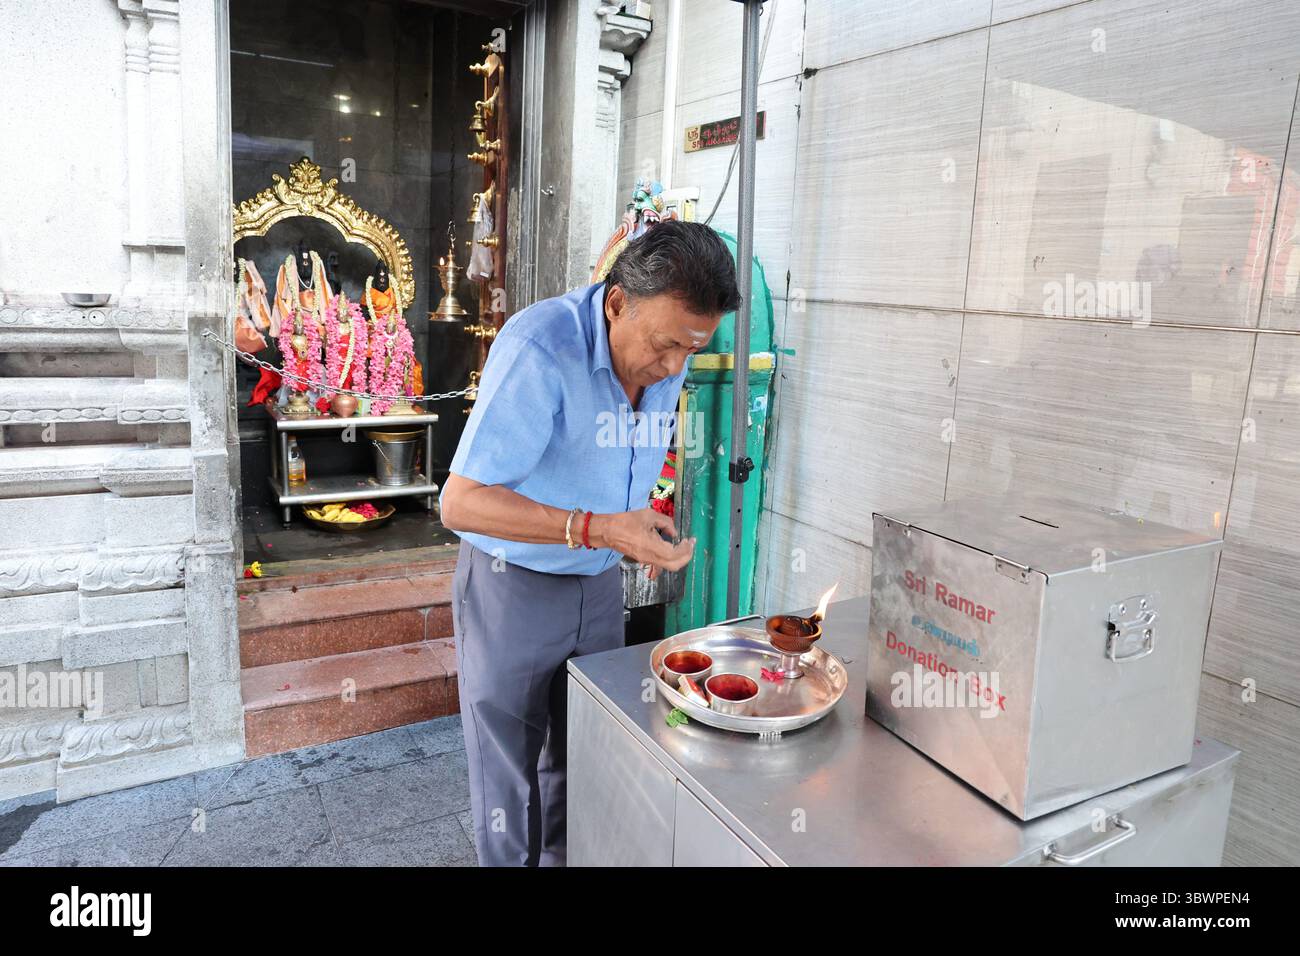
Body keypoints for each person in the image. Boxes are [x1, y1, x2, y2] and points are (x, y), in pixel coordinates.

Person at [439, 220, 742, 866]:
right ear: (616, 303)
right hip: (512, 586)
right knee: (509, 777)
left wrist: (635, 528)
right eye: (665, 346)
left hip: (601, 586)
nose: (673, 368)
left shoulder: (665, 362)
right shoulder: (539, 347)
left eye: (691, 350)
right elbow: (459, 502)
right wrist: (598, 527)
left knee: (586, 762)